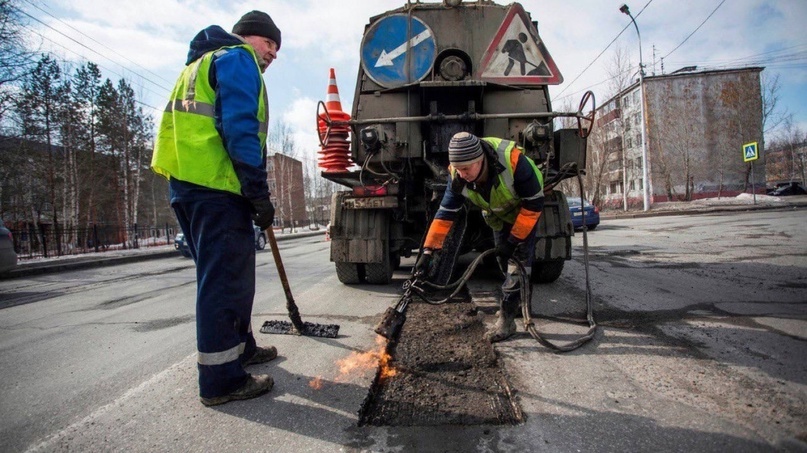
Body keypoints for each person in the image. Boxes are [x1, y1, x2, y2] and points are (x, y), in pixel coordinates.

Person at [151, 11, 282, 406]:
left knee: (228, 278)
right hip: (217, 187)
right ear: (248, 38)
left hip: (188, 186)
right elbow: (240, 127)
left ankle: (240, 348)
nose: (273, 54)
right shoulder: (237, 59)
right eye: (270, 44)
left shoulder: (196, 65)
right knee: (225, 282)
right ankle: (221, 380)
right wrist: (257, 191)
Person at [415, 132, 544, 342]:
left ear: (481, 160)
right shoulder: (457, 175)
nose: (462, 174)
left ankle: (507, 320)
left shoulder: (514, 162)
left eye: (466, 168)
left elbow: (533, 205)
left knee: (517, 263)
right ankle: (518, 302)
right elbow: (445, 214)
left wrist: (513, 241)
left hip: (525, 211)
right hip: (498, 215)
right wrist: (428, 252)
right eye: (458, 169)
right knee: (503, 261)